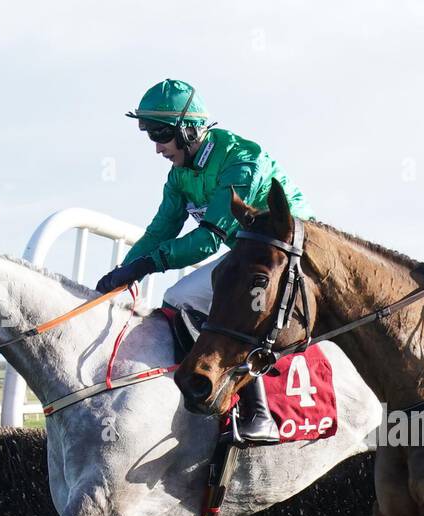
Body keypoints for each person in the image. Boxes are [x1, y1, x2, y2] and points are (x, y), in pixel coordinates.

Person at [96, 79, 313, 442]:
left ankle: (257, 412)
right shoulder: (180, 176)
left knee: (183, 297)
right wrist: (124, 270)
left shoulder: (242, 162)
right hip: (252, 258)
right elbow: (159, 232)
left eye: (160, 135)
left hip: (293, 258)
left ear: (189, 129)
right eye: (150, 135)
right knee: (182, 298)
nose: (157, 148)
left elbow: (210, 237)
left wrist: (146, 266)